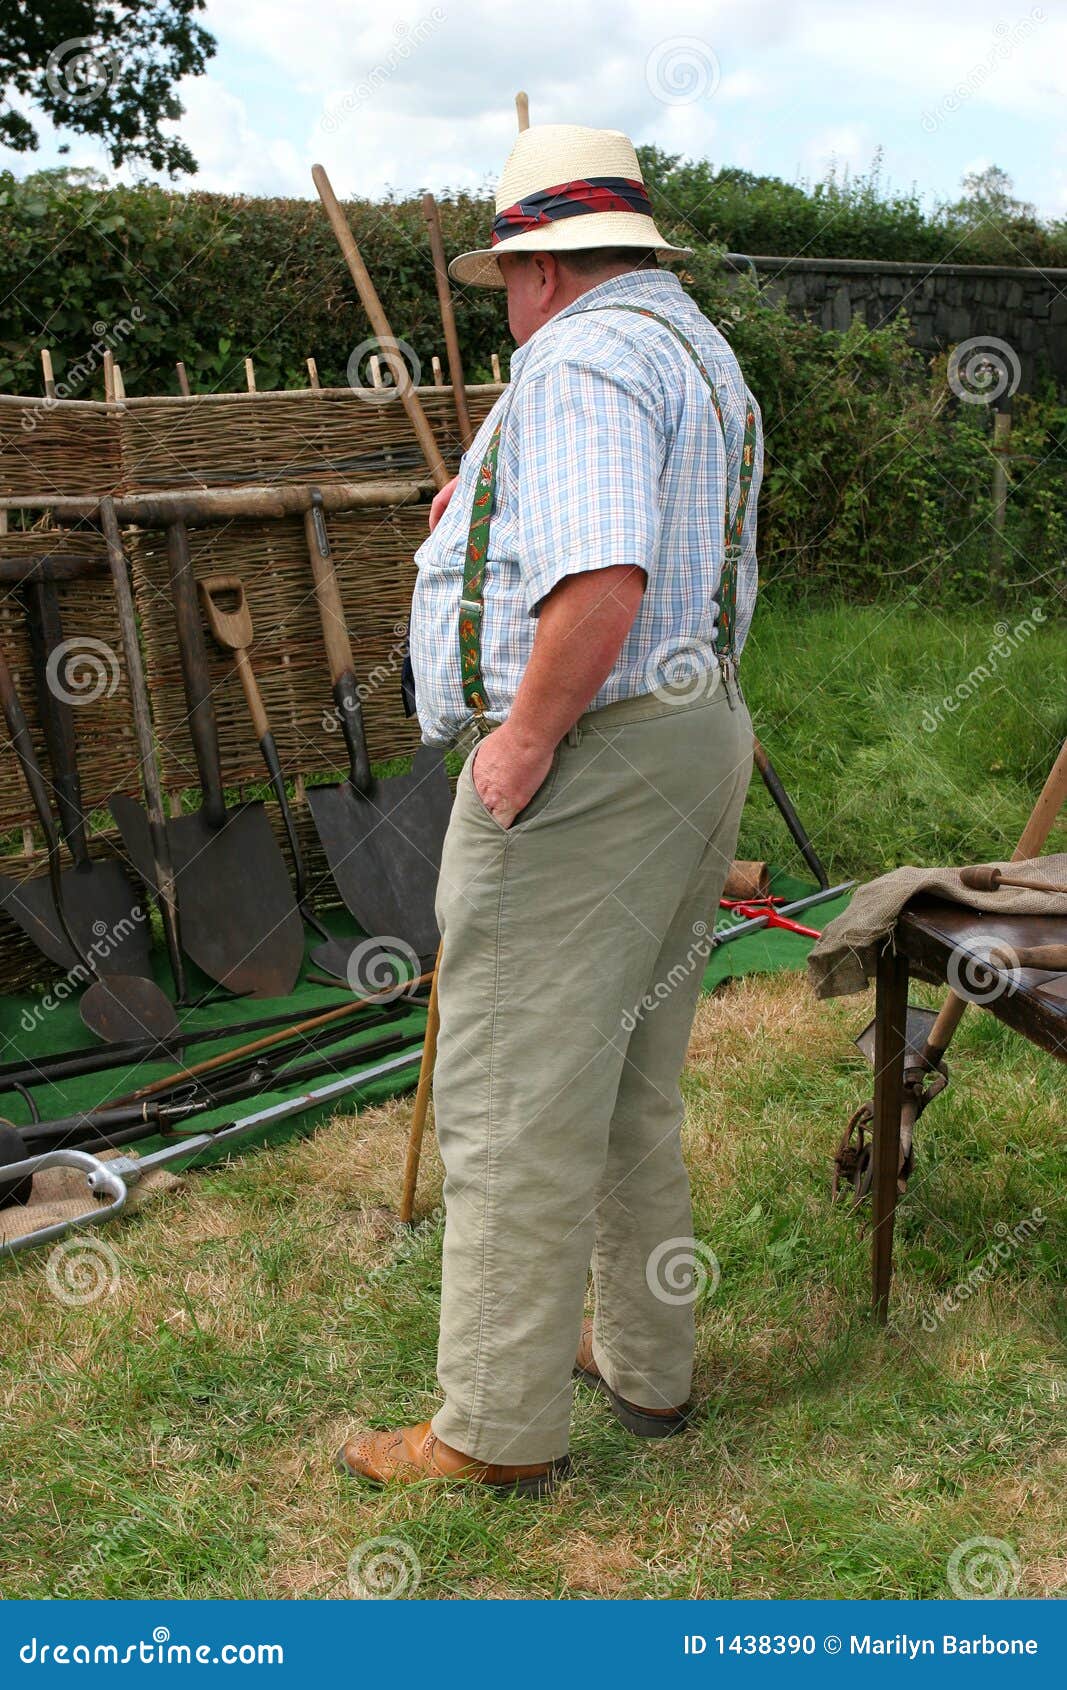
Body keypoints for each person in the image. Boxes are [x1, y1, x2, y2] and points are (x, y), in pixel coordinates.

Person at [338, 122, 763, 1495]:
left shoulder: (578, 358)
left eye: (506, 276)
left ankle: (492, 1428)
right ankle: (646, 1362)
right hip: (689, 739)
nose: (505, 303)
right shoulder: (692, 345)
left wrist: (518, 748)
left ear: (539, 270)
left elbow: (600, 584)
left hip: (588, 764)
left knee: (514, 1096)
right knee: (629, 1082)